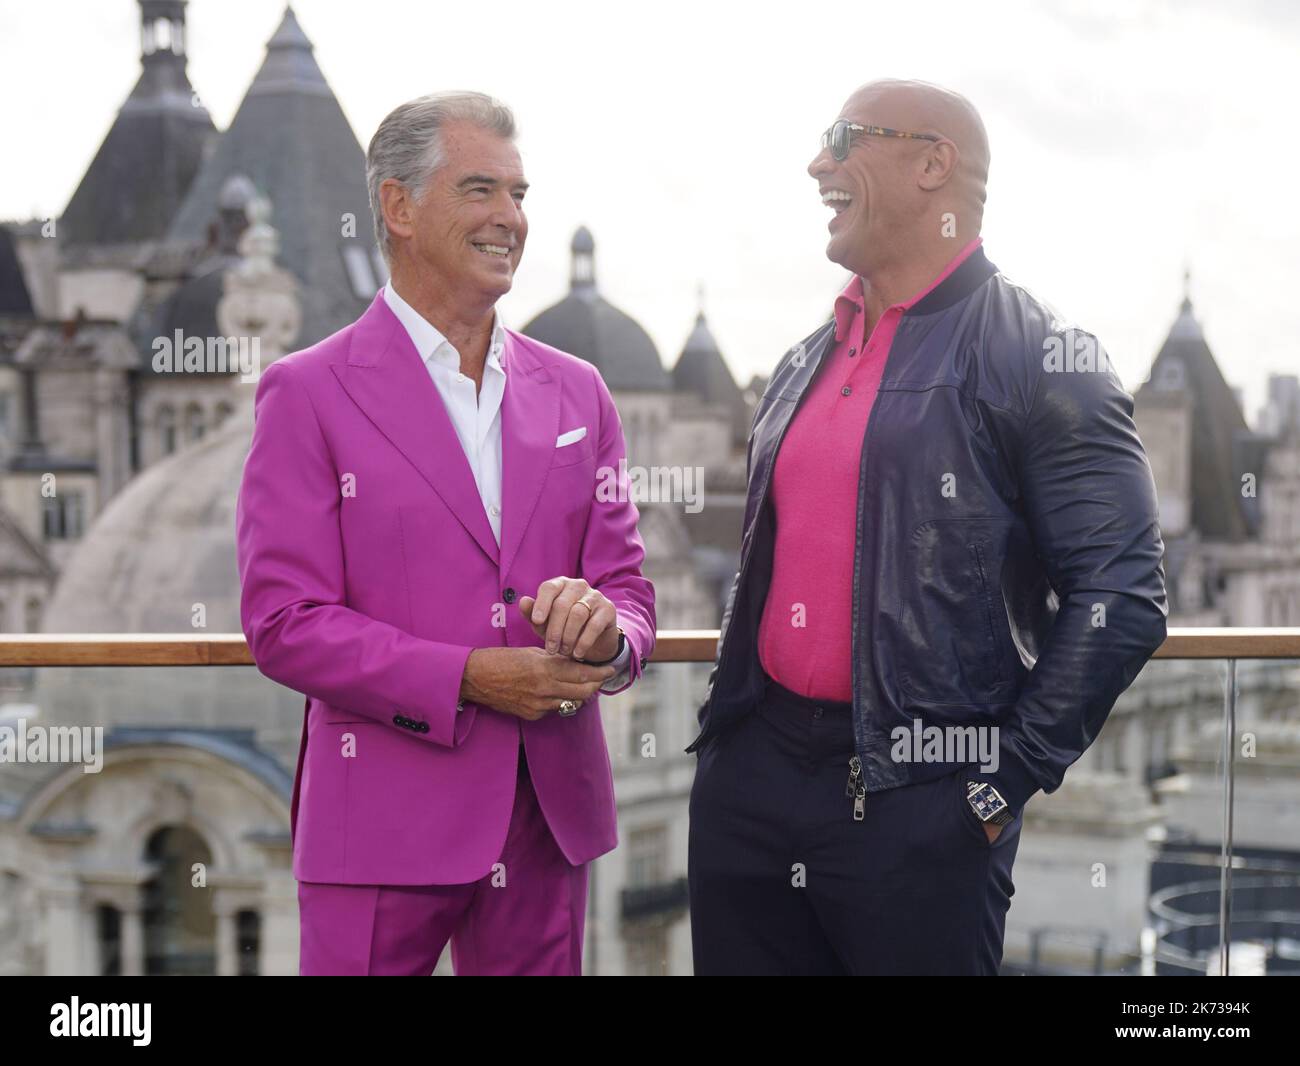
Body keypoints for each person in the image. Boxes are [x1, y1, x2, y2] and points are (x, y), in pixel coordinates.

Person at [686, 79, 1167, 975]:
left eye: (842, 138)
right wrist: (729, 763)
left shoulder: (1043, 355)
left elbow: (1124, 597)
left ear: (932, 164)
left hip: (923, 802)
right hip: (752, 788)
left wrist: (996, 789)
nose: (816, 163)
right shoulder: (801, 360)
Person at [236, 91, 655, 975]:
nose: (511, 218)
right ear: (398, 206)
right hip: (380, 825)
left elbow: (629, 592)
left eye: (519, 193)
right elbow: (284, 622)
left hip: (548, 819)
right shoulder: (307, 393)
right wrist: (472, 677)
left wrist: (609, 635)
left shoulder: (581, 391)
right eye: (481, 190)